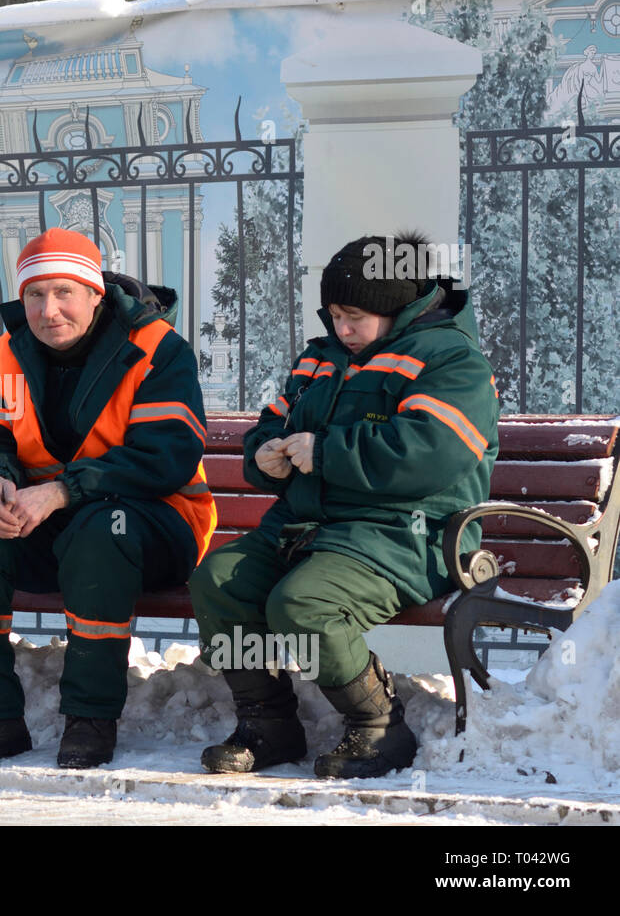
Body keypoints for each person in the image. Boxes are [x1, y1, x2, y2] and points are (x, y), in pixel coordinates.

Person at [189, 232, 500, 779]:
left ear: (395, 306)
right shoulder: (322, 358)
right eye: (334, 314)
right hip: (308, 528)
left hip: (404, 536)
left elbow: (430, 453)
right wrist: (265, 454)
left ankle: (379, 729)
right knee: (219, 581)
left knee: (303, 604)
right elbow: (274, 421)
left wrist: (327, 453)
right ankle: (268, 725)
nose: (342, 329)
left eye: (354, 315)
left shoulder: (452, 360)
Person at [0, 227, 216, 769]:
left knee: (99, 529)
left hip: (157, 526)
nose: (48, 309)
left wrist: (63, 492)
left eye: (64, 292)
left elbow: (166, 457)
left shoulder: (158, 350)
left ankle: (90, 717)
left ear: (96, 293)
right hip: (50, 527)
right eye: (36, 295)